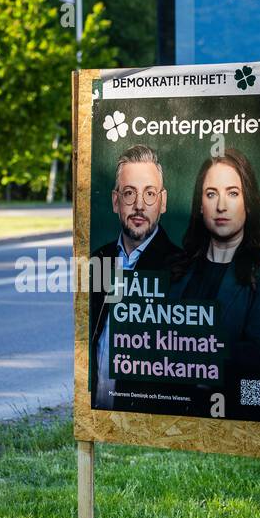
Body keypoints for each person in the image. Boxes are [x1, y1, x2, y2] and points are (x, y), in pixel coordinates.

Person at [167, 148, 260, 422]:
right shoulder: (179, 268)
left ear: (248, 202)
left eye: (233, 193)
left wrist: (197, 358)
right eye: (211, 194)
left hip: (236, 412)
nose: (221, 206)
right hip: (172, 408)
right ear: (200, 205)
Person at [88, 145, 179, 410]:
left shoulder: (181, 267)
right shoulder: (99, 259)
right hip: (101, 408)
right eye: (129, 193)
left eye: (150, 194)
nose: (139, 205)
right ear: (116, 201)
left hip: (150, 411)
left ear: (163, 202)